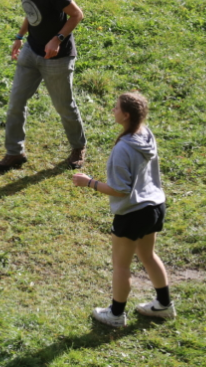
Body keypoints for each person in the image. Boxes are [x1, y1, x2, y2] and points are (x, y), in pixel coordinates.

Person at [72, 92, 175, 327]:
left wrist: (88, 182)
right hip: (155, 206)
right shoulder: (145, 134)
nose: (113, 111)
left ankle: (116, 315)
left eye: (116, 108)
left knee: (121, 265)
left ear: (126, 115)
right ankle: (164, 305)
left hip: (133, 213)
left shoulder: (123, 149)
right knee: (148, 255)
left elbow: (120, 190)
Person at [0, 0, 87, 173]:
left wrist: (57, 39)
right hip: (31, 50)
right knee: (16, 102)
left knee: (64, 106)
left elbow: (77, 14)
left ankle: (78, 147)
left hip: (57, 58)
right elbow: (31, 12)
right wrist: (19, 36)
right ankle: (15, 153)